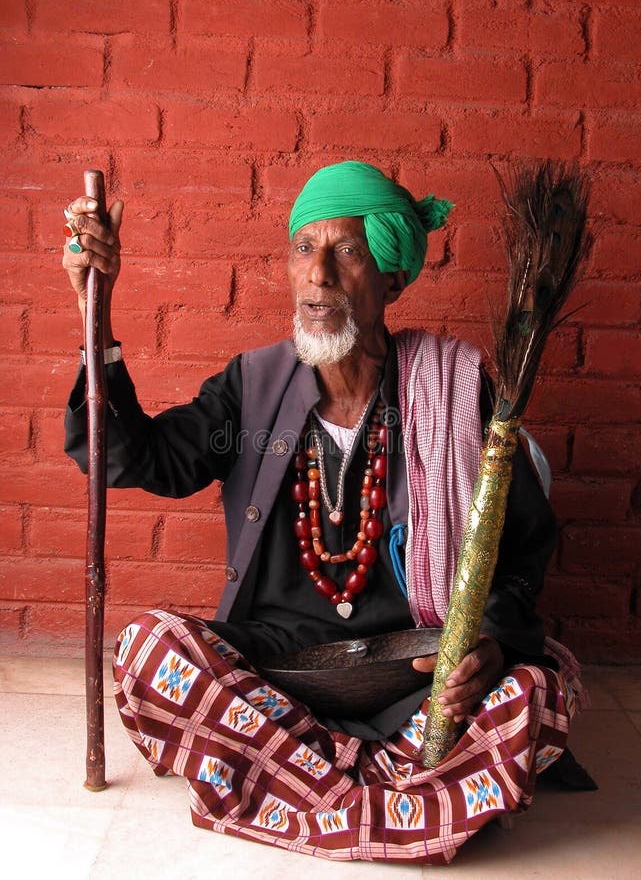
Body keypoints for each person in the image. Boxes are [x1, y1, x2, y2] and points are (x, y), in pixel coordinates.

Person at [63, 161, 583, 864]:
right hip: (279, 671)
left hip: (415, 668)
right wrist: (95, 316)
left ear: (392, 279)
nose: (319, 275)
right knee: (149, 651)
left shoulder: (455, 388)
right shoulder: (251, 389)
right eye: (304, 249)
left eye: (346, 252)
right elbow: (134, 458)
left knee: (540, 691)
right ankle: (396, 799)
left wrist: (487, 644)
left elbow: (522, 545)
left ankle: (300, 784)